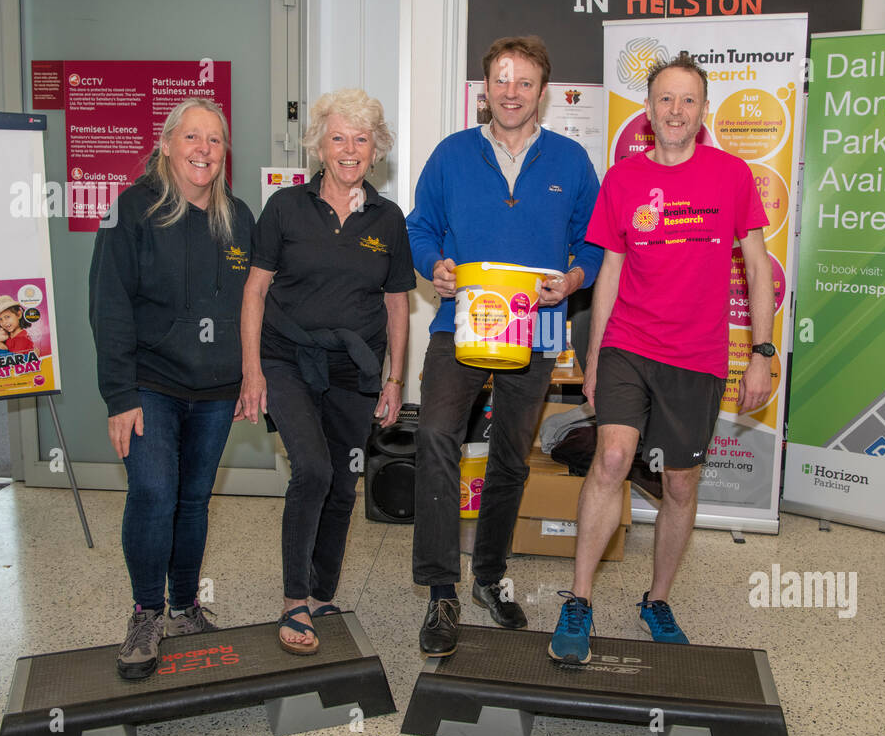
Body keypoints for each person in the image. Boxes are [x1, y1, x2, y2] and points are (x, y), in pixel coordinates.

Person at [548, 52, 775, 664]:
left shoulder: (732, 176)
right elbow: (611, 271)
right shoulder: (623, 180)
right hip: (629, 343)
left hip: (697, 356)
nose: (676, 110)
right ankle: (579, 599)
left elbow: (758, 268)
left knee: (679, 482)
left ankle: (657, 600)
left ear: (703, 111)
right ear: (648, 111)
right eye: (665, 99)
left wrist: (761, 353)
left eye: (688, 100)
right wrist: (595, 355)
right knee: (612, 458)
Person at [407, 35, 603, 656]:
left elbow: (595, 243)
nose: (511, 92)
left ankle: (488, 578)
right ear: (484, 89)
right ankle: (442, 591)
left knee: (511, 458)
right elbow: (419, 228)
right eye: (501, 80)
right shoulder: (451, 154)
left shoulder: (571, 161)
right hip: (459, 325)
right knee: (436, 437)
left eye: (524, 82)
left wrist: (575, 278)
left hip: (535, 329)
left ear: (542, 92)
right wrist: (433, 265)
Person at [239, 89, 413, 656]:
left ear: (375, 150)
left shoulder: (388, 219)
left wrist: (394, 380)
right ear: (319, 146)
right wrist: (251, 372)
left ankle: (321, 593)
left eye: (361, 139)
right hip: (287, 359)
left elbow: (397, 305)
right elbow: (255, 291)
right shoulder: (285, 208)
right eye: (338, 137)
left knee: (343, 481)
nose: (349, 149)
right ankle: (294, 597)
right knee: (312, 470)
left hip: (355, 368)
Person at [89, 97, 254, 680]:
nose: (203, 149)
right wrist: (119, 396)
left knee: (193, 499)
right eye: (191, 137)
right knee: (154, 492)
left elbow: (253, 303)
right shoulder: (132, 211)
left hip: (216, 390)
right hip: (149, 384)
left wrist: (250, 374)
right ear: (166, 145)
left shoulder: (238, 218)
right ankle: (146, 612)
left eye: (214, 139)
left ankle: (184, 607)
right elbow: (109, 306)